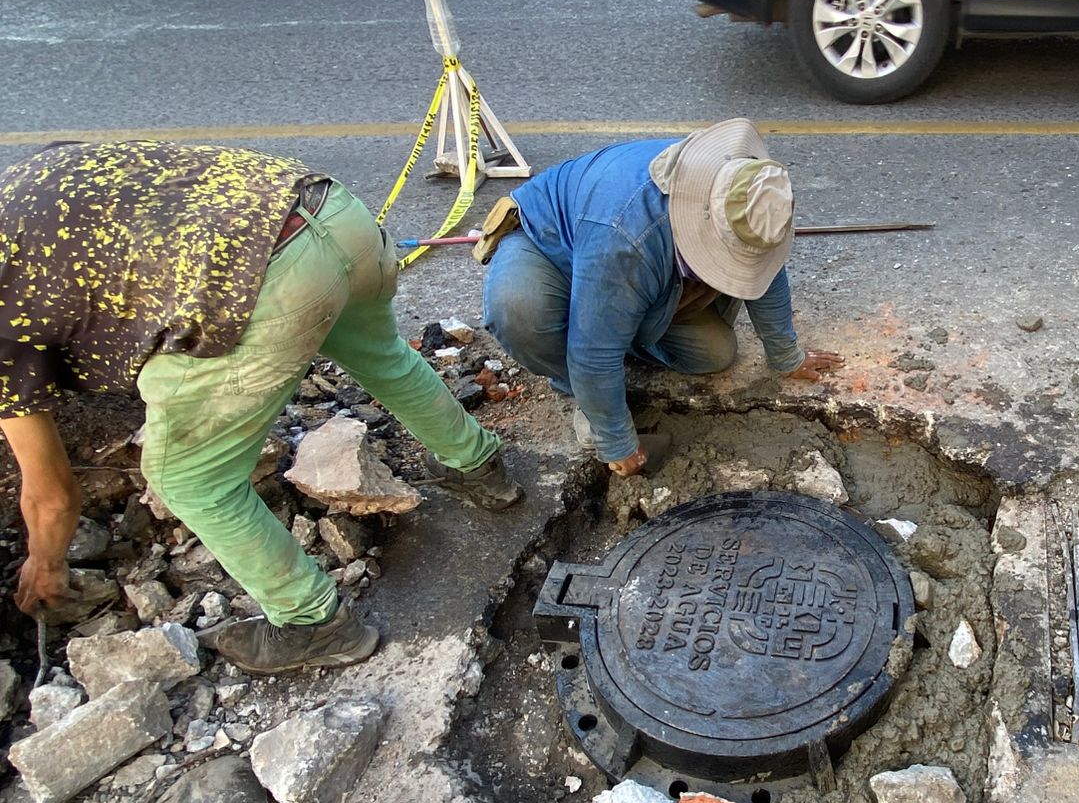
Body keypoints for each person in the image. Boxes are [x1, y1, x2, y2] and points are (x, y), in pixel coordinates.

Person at [0, 141, 522, 674]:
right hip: (333, 212)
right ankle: (479, 465)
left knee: (186, 476)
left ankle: (313, 624)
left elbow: (53, 495)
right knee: (381, 355)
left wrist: (45, 565)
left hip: (267, 278)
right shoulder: (23, 184)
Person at [480, 118, 844, 474]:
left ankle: (613, 332)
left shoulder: (748, 197)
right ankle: (578, 384)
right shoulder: (627, 239)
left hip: (626, 272)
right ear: (704, 229)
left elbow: (765, 270)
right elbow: (593, 351)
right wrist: (617, 441)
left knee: (714, 353)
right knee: (519, 309)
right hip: (551, 248)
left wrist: (786, 355)